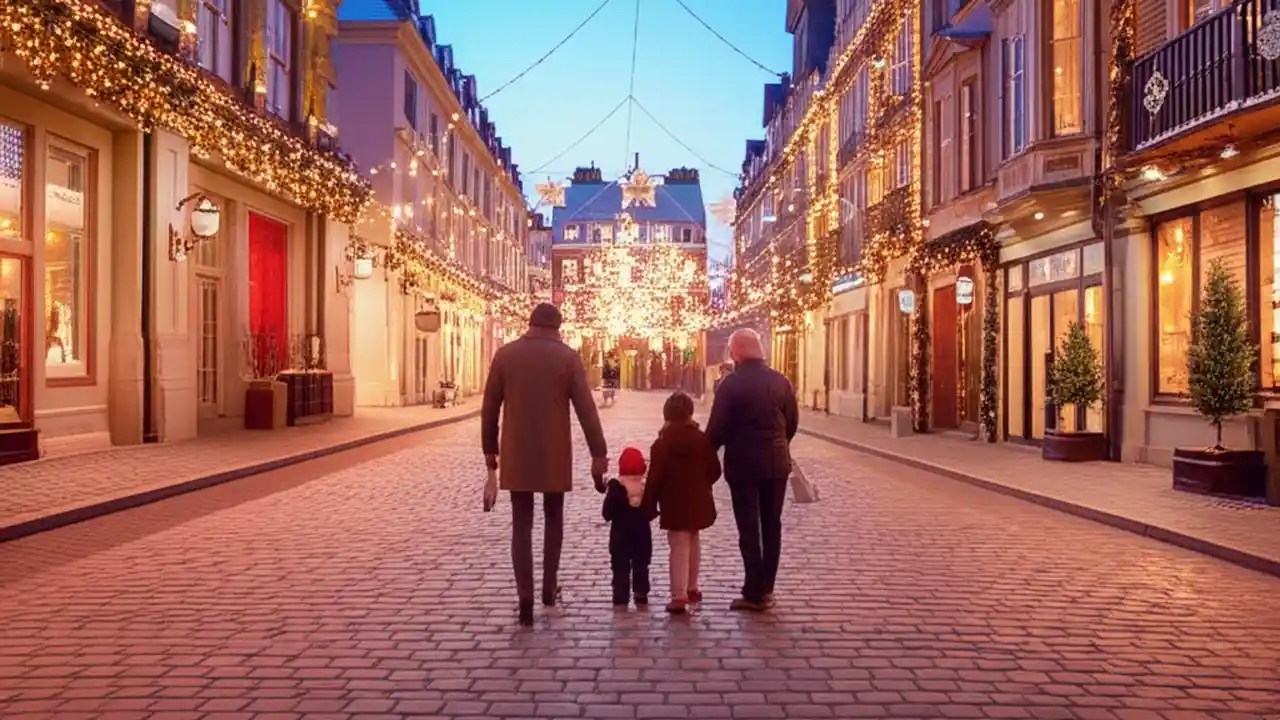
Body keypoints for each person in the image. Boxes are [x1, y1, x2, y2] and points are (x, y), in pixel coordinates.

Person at [482, 303, 609, 627]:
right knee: (554, 518)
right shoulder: (567, 357)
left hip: (517, 451)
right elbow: (586, 411)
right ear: (557, 327)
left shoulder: (505, 355)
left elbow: (489, 409)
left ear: (531, 323)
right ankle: (549, 587)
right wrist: (599, 454)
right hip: (555, 452)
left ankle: (525, 595)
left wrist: (490, 454)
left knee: (521, 525)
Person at [705, 328, 798, 612]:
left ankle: (753, 590)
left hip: (743, 465)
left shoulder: (731, 385)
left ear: (738, 353)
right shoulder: (781, 381)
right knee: (772, 525)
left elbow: (716, 431)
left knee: (749, 527)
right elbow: (792, 423)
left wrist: (702, 454)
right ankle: (766, 588)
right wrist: (779, 445)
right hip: (776, 464)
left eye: (732, 351)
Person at [642, 392, 721, 615]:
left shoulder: (662, 443)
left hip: (674, 502)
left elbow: (654, 478)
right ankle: (692, 587)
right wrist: (702, 484)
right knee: (694, 540)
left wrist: (649, 504)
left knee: (678, 546)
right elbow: (715, 470)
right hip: (698, 501)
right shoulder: (702, 439)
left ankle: (679, 595)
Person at [601, 447, 652, 607]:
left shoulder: (616, 487)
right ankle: (641, 593)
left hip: (619, 536)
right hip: (642, 534)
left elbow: (607, 513)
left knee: (619, 566)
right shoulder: (646, 487)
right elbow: (651, 511)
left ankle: (620, 595)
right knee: (641, 564)